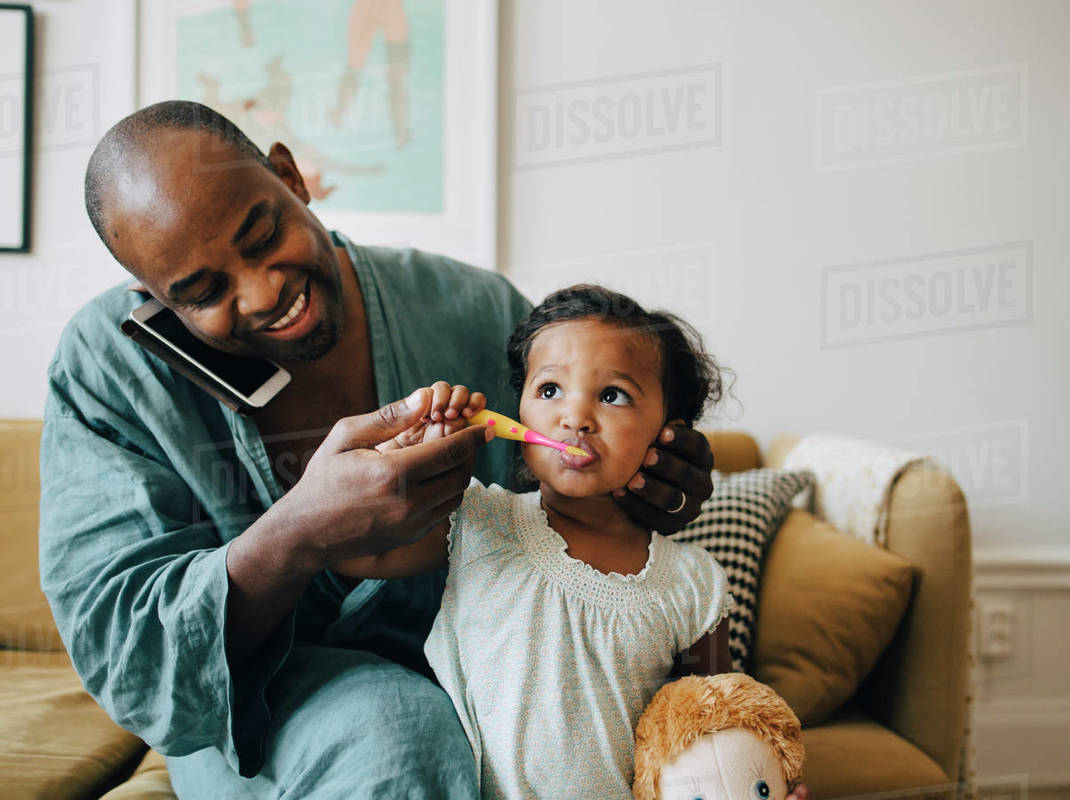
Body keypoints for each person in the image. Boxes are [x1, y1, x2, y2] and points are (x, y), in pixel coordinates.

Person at [39, 100, 717, 799]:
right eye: (204, 291)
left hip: (505, 688)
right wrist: (299, 535)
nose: (265, 290)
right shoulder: (106, 371)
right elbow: (129, 655)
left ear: (289, 176)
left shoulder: (475, 310)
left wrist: (649, 485)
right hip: (265, 716)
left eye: (264, 234)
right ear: (148, 296)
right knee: (397, 733)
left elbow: (576, 485)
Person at [334, 285, 734, 798]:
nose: (575, 417)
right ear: (519, 410)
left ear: (668, 434)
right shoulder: (478, 521)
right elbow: (352, 552)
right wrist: (401, 457)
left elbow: (715, 725)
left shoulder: (692, 583)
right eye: (549, 391)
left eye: (612, 395)